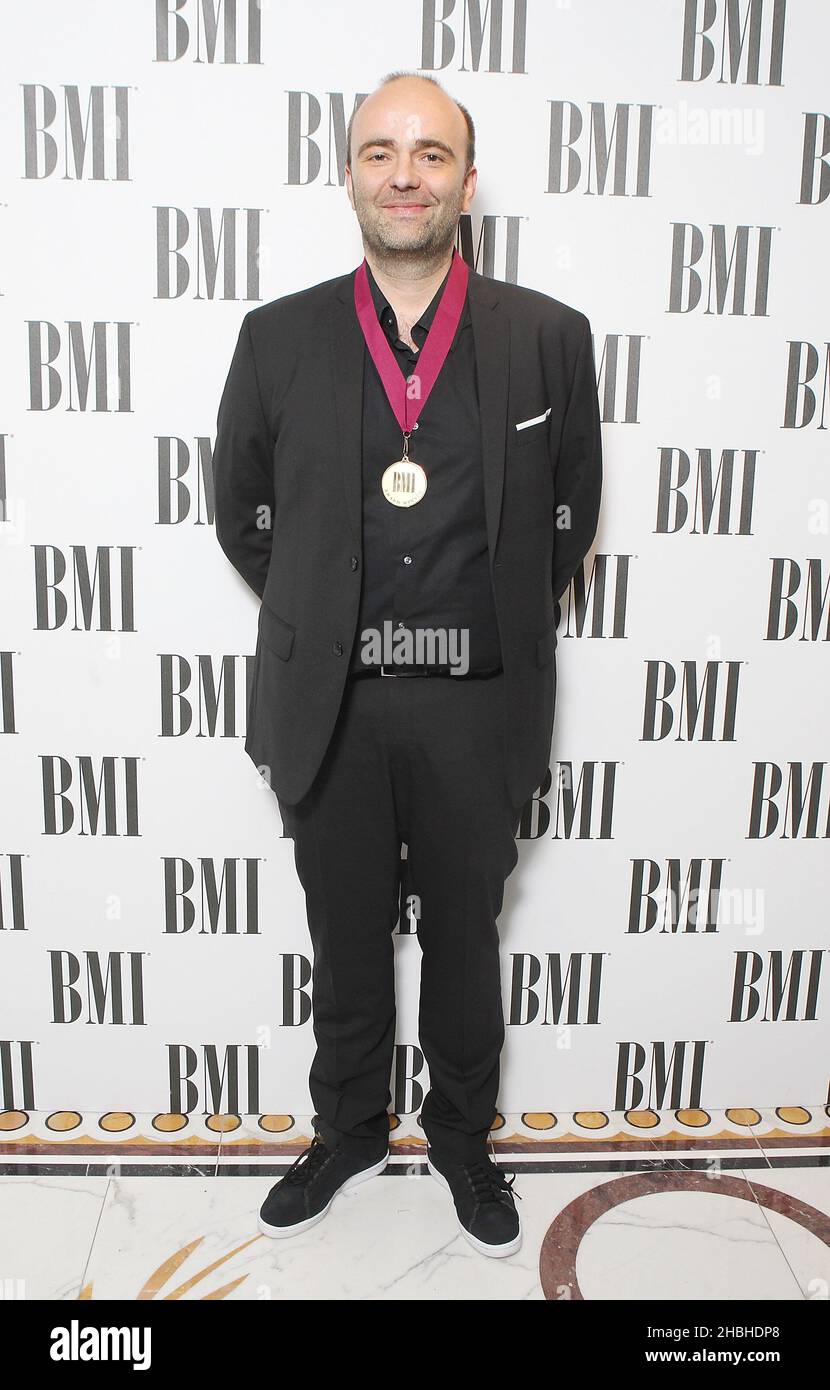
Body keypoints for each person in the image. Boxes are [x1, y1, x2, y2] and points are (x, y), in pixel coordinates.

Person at [212, 70, 602, 1259]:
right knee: (342, 930)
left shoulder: (545, 336)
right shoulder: (276, 337)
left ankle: (463, 1137)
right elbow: (243, 512)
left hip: (475, 705)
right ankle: (345, 1130)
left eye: (430, 154)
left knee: (464, 938)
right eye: (380, 151)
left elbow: (568, 518)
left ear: (465, 181)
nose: (403, 173)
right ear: (348, 174)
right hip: (332, 700)